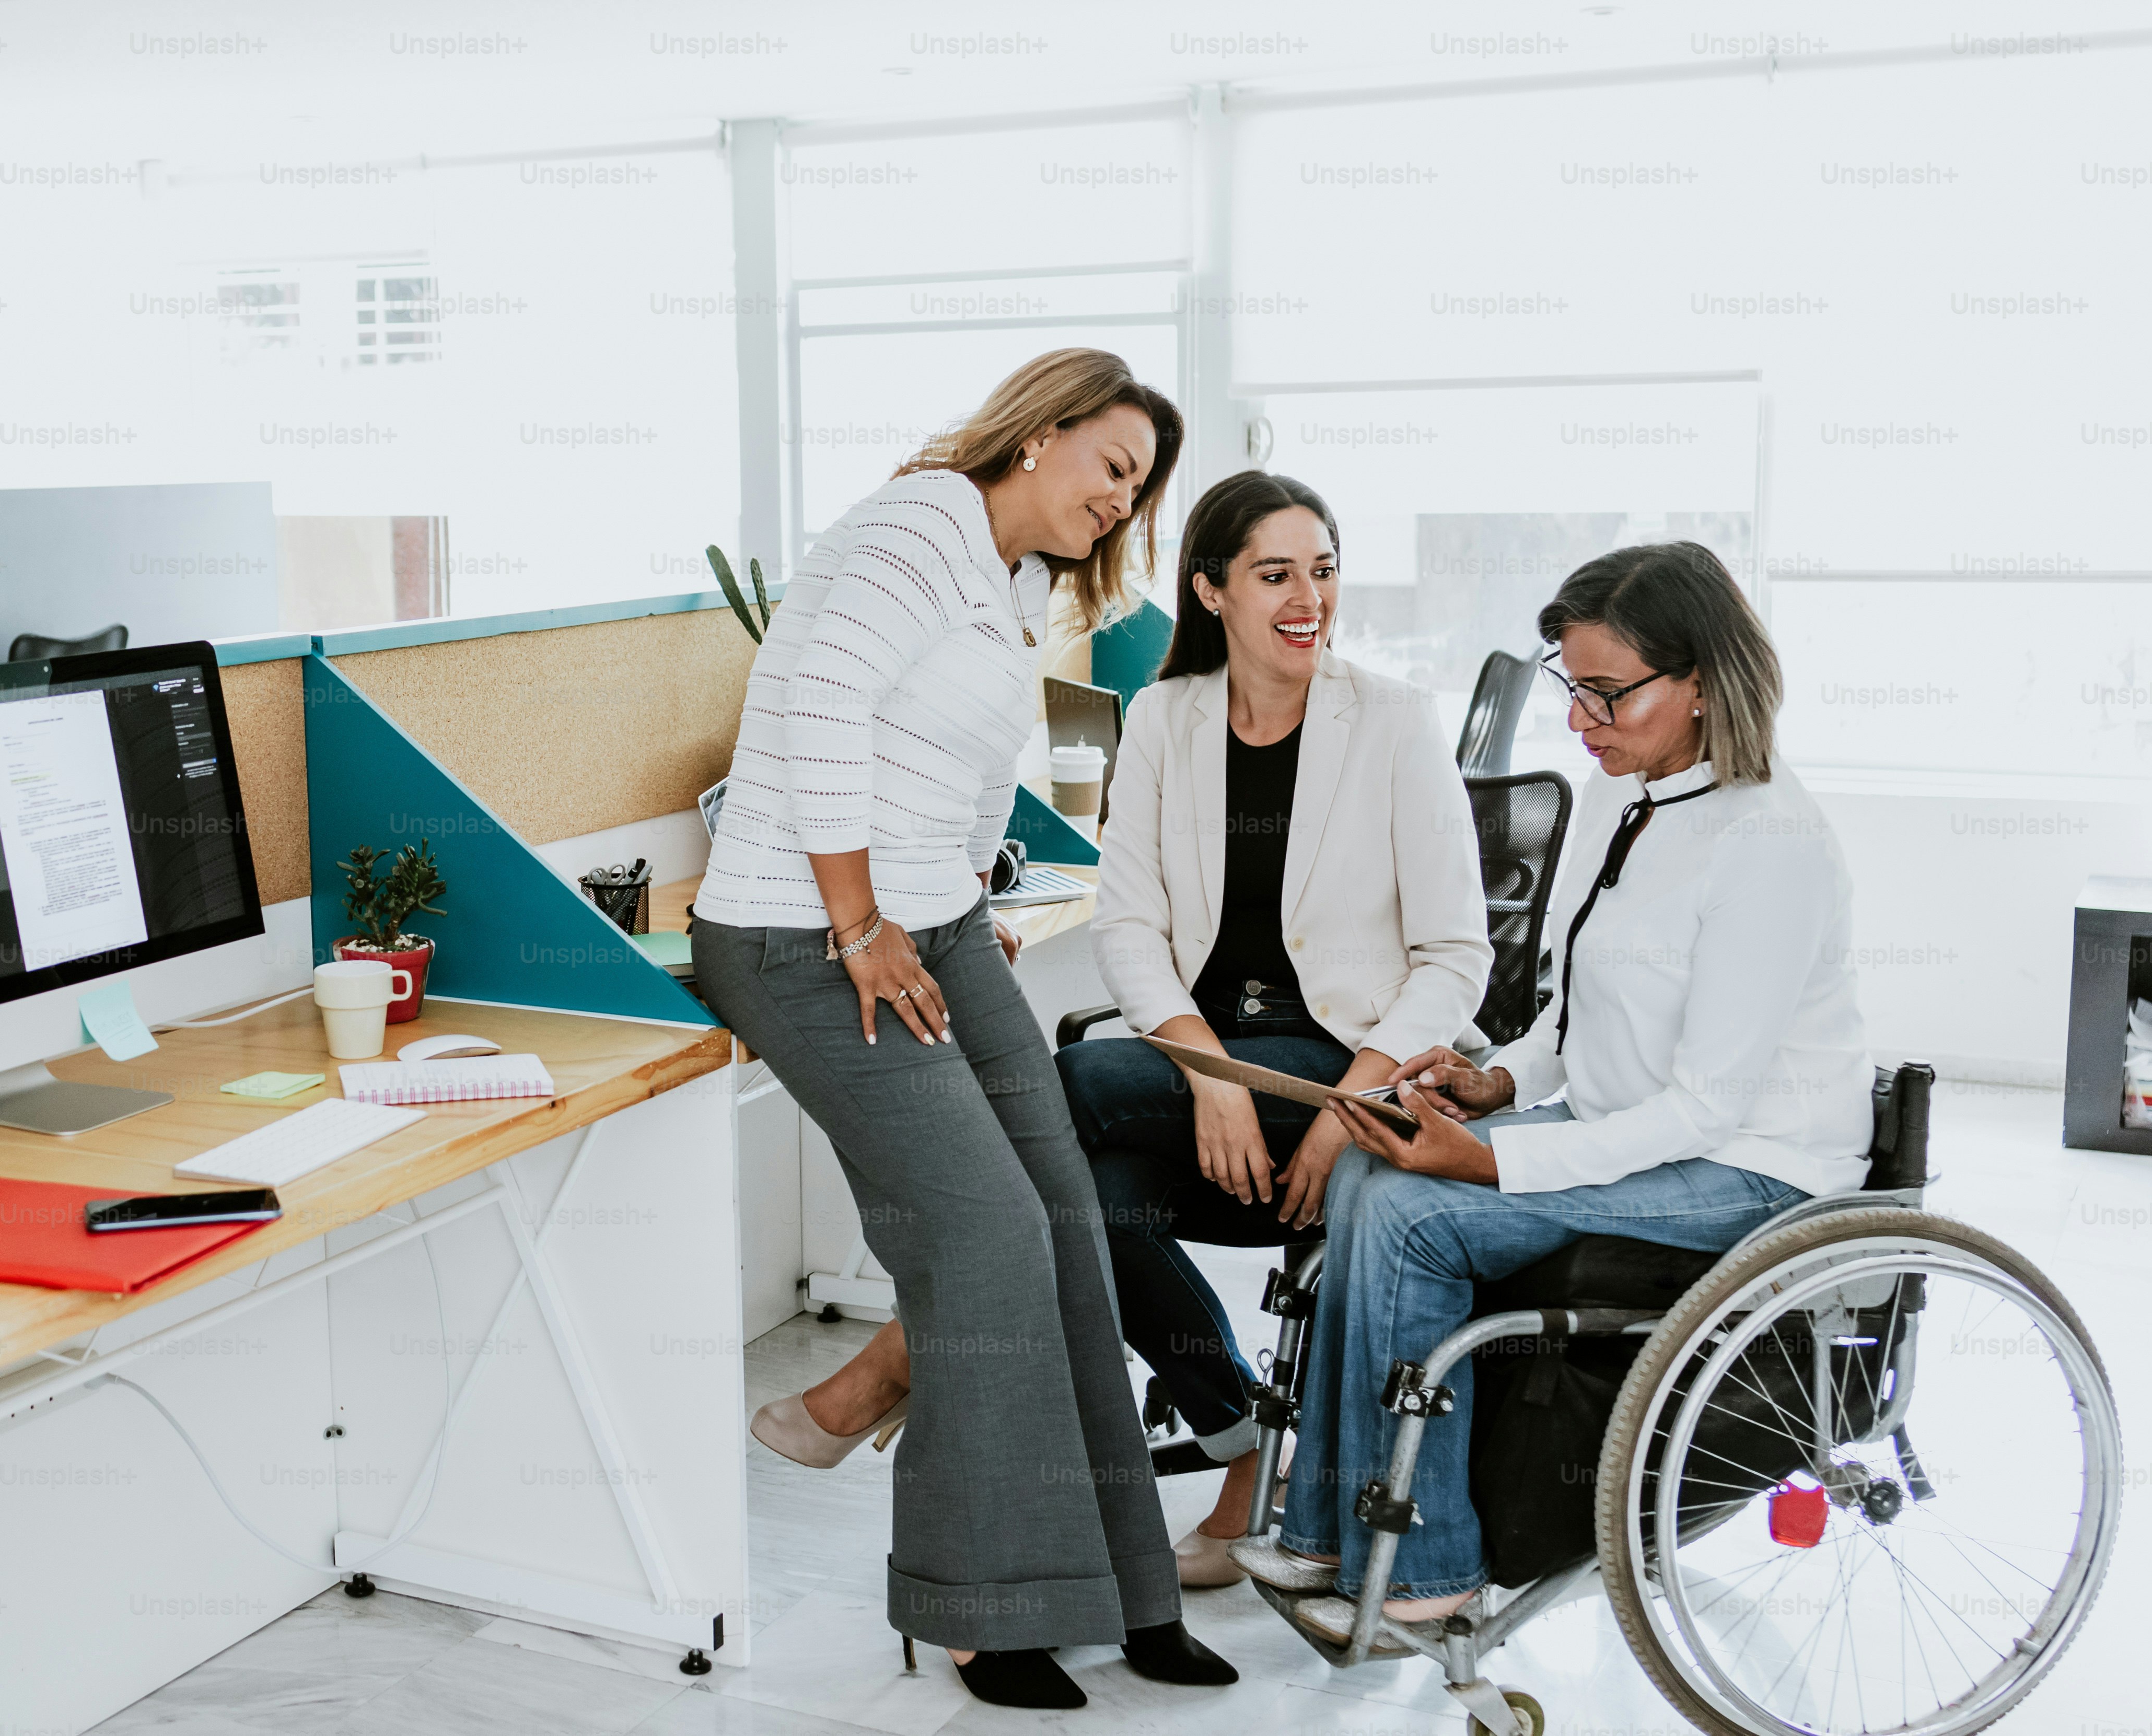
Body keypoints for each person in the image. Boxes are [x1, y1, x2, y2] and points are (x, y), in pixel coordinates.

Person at [688, 349, 1234, 1711]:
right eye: (1114, 468)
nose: (1124, 502)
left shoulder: (1010, 575)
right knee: (983, 1236)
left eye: (1142, 490)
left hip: (929, 924)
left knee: (1064, 1216)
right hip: (800, 934)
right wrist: (865, 921)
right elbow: (815, 710)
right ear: (1040, 437)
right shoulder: (917, 523)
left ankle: (1125, 1590)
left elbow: (960, 754)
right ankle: (980, 1610)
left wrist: (968, 895)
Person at [1236, 540, 1875, 1637]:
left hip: (1751, 1171)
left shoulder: (1769, 839)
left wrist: (1489, 1160)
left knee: (1416, 1213)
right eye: (1568, 685)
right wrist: (1492, 1084)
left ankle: (1427, 1570)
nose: (1579, 717)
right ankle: (1333, 1533)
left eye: (1606, 692)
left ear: (1704, 684)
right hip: (1628, 1129)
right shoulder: (1618, 795)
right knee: (1365, 1178)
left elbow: (1704, 1111)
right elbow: (1569, 1025)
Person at [1054, 469, 1493, 1588]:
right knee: (1093, 1197)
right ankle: (1243, 1438)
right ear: (1209, 592)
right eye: (1274, 574)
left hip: (1335, 1070)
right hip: (1213, 1082)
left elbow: (1456, 955)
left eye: (1323, 571)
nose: (1308, 597)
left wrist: (1356, 1100)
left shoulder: (1392, 722)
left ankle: (907, 1357)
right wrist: (1204, 1077)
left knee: (1058, 1086)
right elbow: (1128, 925)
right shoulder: (1163, 718)